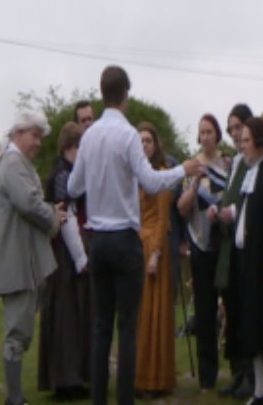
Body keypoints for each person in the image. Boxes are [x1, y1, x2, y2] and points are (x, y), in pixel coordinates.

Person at [68, 66, 202, 405]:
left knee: (102, 327)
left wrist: (96, 181)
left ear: (102, 93)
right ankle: (124, 400)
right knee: (127, 328)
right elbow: (151, 182)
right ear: (125, 95)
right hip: (125, 240)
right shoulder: (127, 135)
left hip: (97, 239)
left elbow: (73, 187)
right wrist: (182, 170)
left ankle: (99, 400)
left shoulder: (90, 136)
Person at [0, 109, 65, 405]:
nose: (38, 143)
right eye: (35, 136)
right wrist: (54, 216)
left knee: (20, 332)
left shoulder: (17, 164)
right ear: (19, 134)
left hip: (22, 260)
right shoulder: (12, 164)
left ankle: (16, 396)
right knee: (16, 332)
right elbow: (29, 203)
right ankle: (15, 398)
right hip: (16, 262)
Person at [218, 117, 263, 405]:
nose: (242, 145)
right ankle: (260, 390)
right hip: (246, 260)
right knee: (252, 325)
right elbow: (249, 213)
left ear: (260, 142)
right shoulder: (253, 172)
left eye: (246, 140)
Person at [176, 113, 232, 392]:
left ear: (217, 135)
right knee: (205, 309)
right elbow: (182, 207)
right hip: (199, 245)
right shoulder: (192, 166)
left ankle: (238, 370)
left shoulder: (228, 165)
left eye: (210, 131)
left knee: (231, 305)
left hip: (223, 244)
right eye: (202, 132)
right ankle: (207, 374)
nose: (206, 136)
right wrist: (195, 182)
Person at [39, 122, 92, 398]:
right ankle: (66, 381)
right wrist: (81, 257)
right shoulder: (62, 175)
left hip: (67, 251)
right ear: (69, 148)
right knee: (66, 314)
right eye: (78, 147)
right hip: (64, 253)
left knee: (74, 313)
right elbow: (66, 217)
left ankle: (75, 378)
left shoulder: (66, 172)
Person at [212, 103, 256, 400]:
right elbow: (230, 195)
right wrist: (218, 210)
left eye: (238, 127)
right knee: (232, 311)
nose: (234, 134)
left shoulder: (253, 163)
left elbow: (252, 201)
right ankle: (237, 373)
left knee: (243, 315)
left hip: (245, 246)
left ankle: (250, 377)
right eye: (230, 129)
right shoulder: (236, 164)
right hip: (228, 244)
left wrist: (232, 211)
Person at [134, 122, 177, 396]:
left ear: (155, 144)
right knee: (139, 315)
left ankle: (156, 380)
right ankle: (139, 377)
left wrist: (157, 253)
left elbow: (163, 219)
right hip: (137, 246)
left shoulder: (160, 174)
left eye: (148, 141)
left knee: (156, 315)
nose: (144, 145)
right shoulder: (134, 174)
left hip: (154, 249)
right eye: (140, 141)